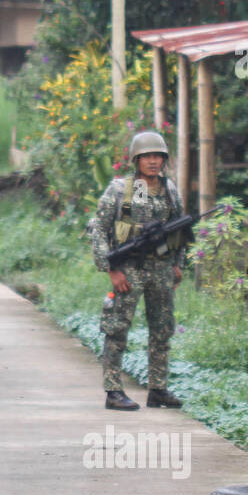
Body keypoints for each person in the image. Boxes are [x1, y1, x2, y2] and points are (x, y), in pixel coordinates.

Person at [88, 130, 186, 412]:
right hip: (128, 271)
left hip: (162, 271)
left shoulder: (170, 190)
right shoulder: (120, 190)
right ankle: (113, 391)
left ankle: (158, 389)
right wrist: (112, 270)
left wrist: (177, 264)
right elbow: (100, 231)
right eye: (147, 157)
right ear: (136, 159)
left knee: (162, 330)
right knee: (116, 329)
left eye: (158, 156)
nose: (153, 161)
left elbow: (179, 228)